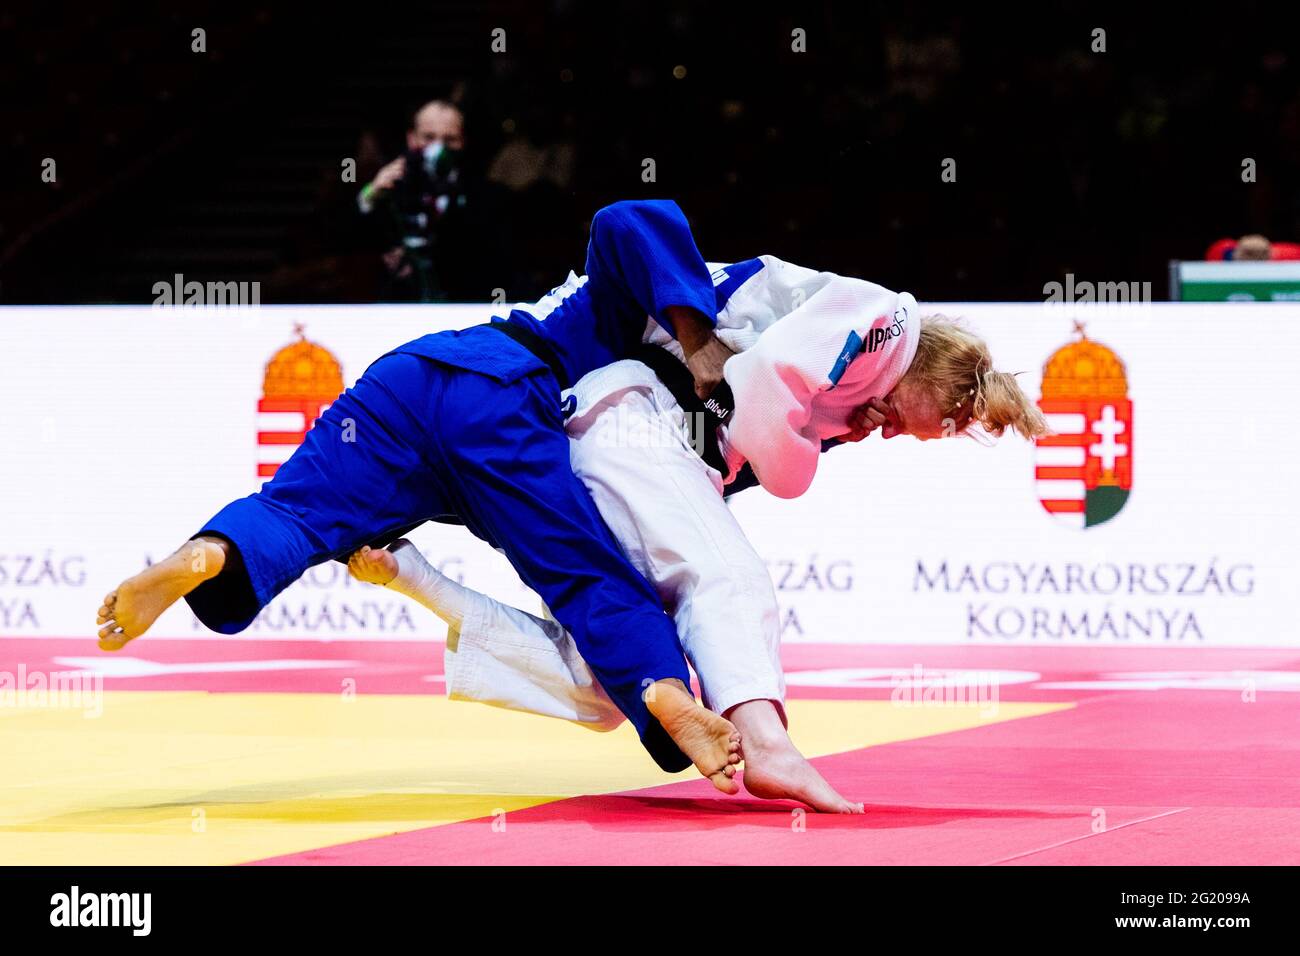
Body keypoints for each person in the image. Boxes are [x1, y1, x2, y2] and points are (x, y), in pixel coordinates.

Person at [346, 253, 1049, 812]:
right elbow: (764, 395)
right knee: (728, 576)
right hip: (632, 418)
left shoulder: (850, 392)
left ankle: (416, 577)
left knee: (614, 687)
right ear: (930, 374)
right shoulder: (878, 321)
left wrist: (826, 430)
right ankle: (768, 745)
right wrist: (809, 440)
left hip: (648, 450)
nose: (889, 432)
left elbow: (759, 444)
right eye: (906, 419)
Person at [96, 200, 744, 792]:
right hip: (508, 398)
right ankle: (658, 687)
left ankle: (209, 552)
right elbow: (635, 214)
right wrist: (699, 341)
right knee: (587, 572)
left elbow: (630, 220)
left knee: (295, 510)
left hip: (410, 380)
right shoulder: (625, 305)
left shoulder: (585, 299)